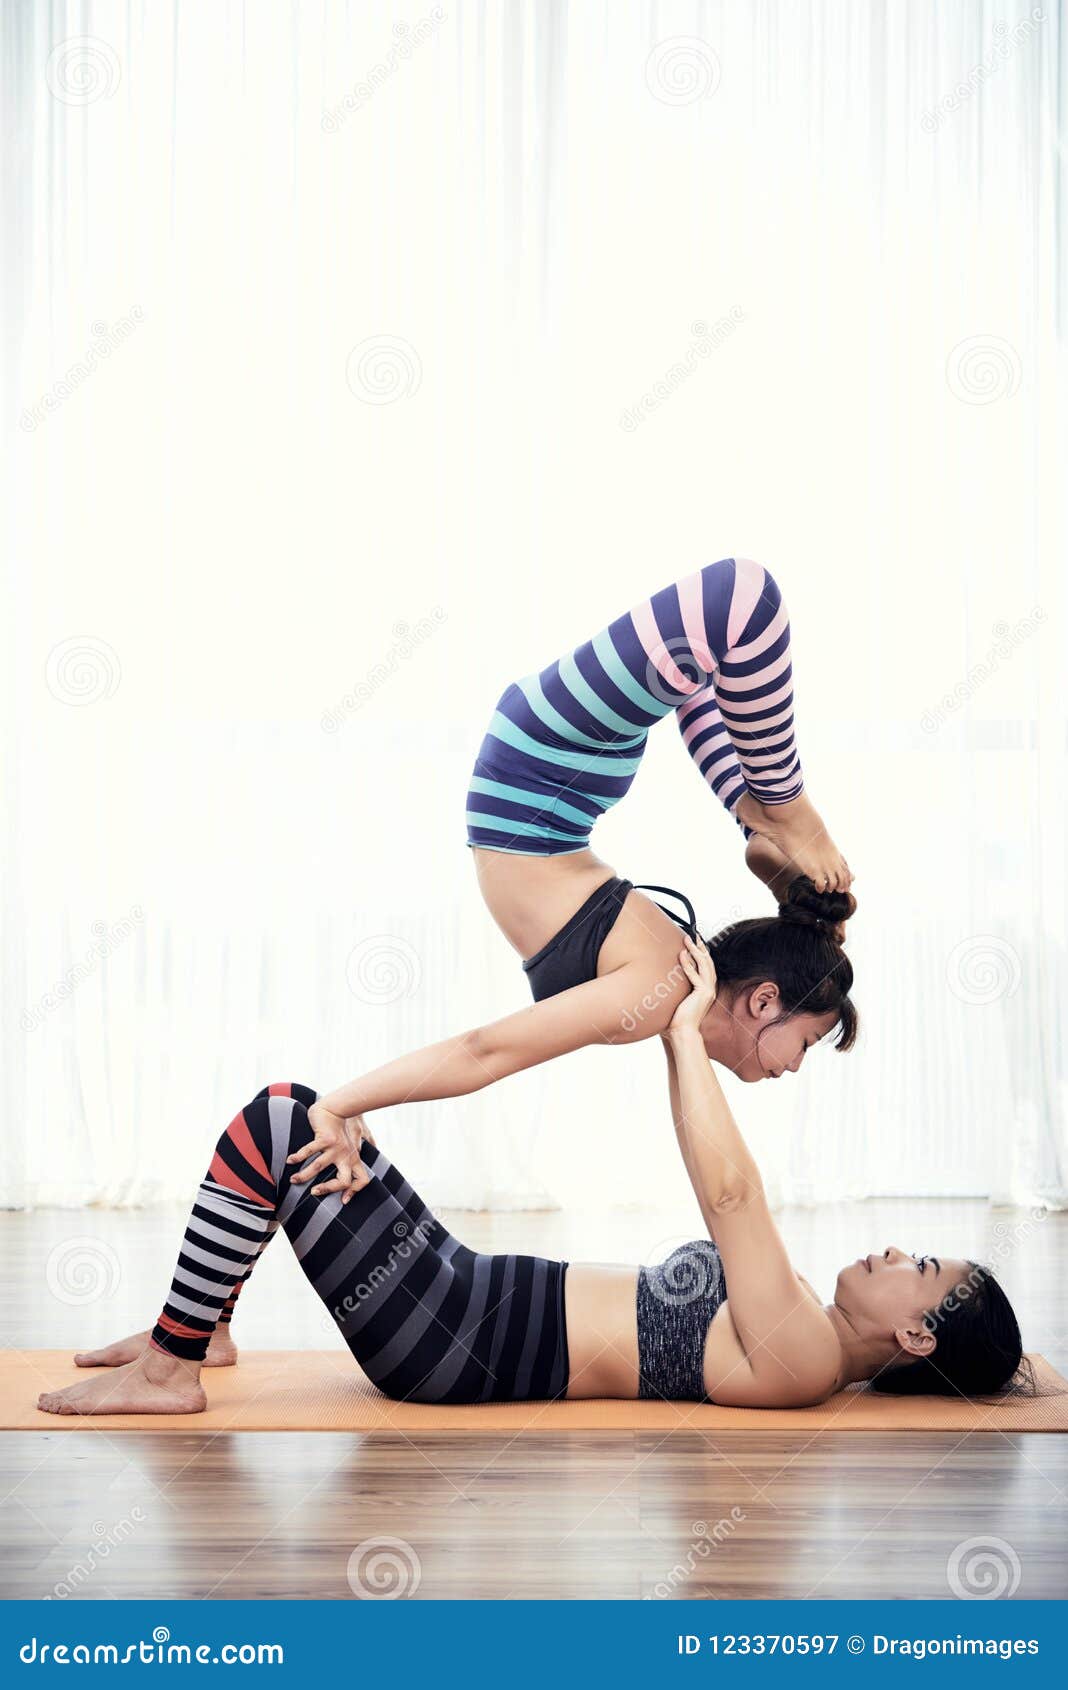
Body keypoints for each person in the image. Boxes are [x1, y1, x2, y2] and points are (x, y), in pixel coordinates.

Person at [36, 941, 1024, 1418]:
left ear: (915, 1333)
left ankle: (169, 1371)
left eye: (922, 1265)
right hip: (461, 1287)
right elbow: (999, 1361)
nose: (897, 1249)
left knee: (281, 1121)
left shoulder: (807, 1355)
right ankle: (201, 1325)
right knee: (325, 1127)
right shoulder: (806, 1320)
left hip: (454, 1341)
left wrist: (684, 1035)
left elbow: (731, 1197)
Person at [301, 557, 859, 1202]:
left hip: (552, 776)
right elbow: (486, 1051)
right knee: (744, 601)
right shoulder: (660, 986)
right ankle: (777, 807)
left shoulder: (671, 1002)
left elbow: (709, 1162)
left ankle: (755, 813)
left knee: (703, 665)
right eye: (808, 1043)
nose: (794, 1067)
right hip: (542, 769)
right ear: (763, 1002)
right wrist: (338, 1104)